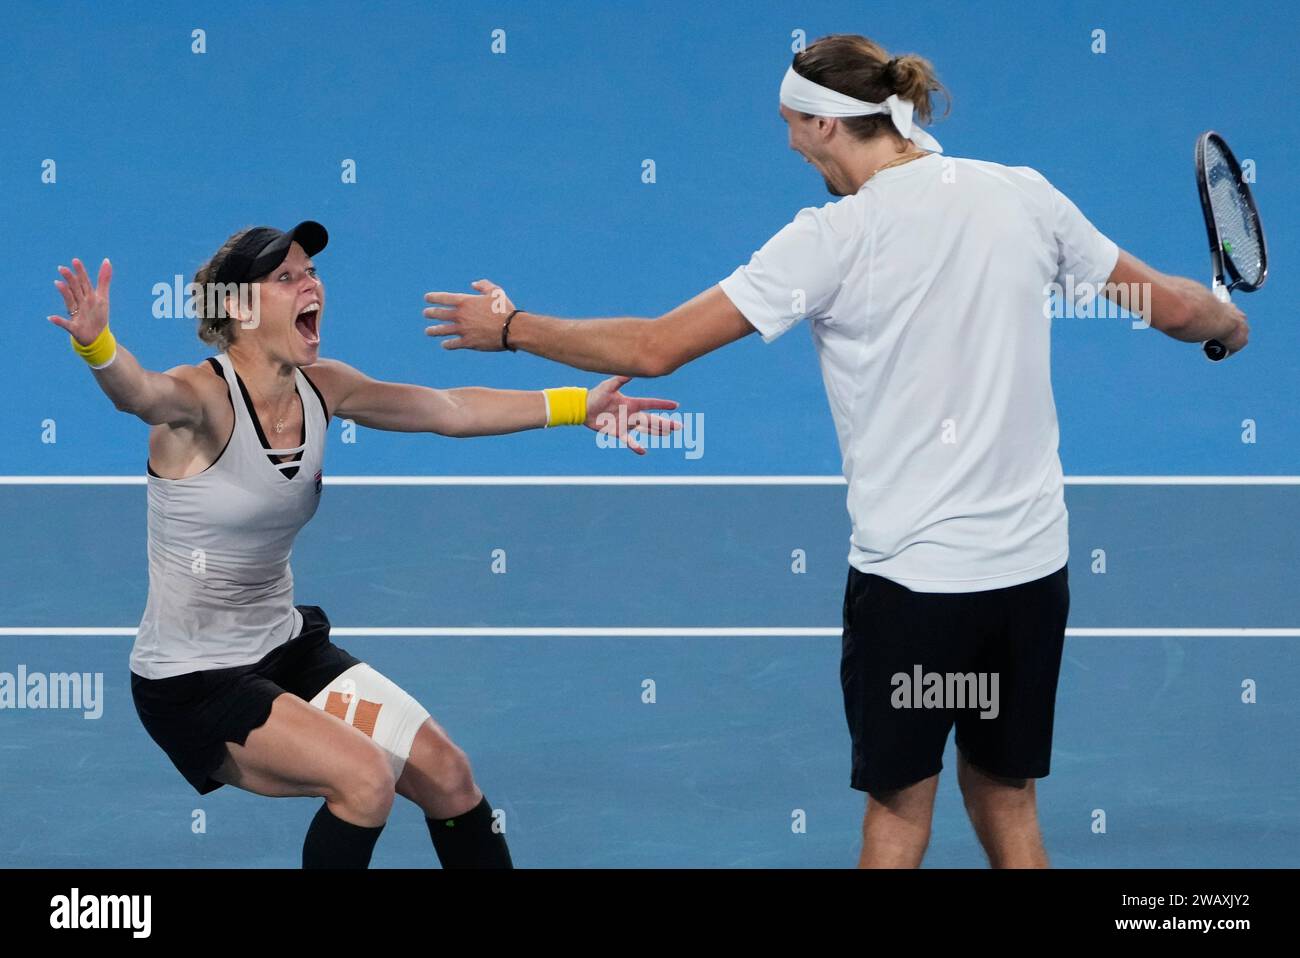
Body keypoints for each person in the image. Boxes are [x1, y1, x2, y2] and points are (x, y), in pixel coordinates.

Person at [420, 34, 1249, 868]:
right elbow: (1174, 310)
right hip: (1030, 577)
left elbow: (653, 347)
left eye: (789, 123)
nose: (784, 140)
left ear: (825, 126)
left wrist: (513, 329)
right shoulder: (1022, 196)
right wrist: (1226, 320)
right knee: (1008, 797)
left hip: (914, 588)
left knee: (898, 818)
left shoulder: (831, 239)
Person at [48, 221, 678, 868]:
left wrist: (580, 405)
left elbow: (447, 408)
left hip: (284, 647)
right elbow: (140, 393)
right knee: (364, 780)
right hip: (194, 682)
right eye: (286, 277)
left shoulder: (324, 386)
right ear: (235, 308)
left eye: (311, 272)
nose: (310, 284)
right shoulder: (201, 401)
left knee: (448, 776)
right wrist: (98, 346)